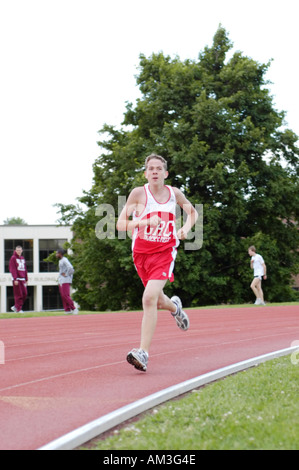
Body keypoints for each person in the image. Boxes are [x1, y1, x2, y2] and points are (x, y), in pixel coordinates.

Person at [117, 154, 198, 372]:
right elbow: (120, 224)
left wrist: (185, 229)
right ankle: (175, 308)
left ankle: (142, 353)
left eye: (159, 168)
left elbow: (193, 213)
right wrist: (144, 221)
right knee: (157, 300)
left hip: (165, 251)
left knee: (149, 297)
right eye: (150, 168)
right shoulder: (138, 193)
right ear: (145, 173)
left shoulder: (174, 193)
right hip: (141, 254)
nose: (154, 171)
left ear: (165, 173)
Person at [56, 248, 78, 315]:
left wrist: (67, 274)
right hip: (61, 281)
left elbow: (71, 268)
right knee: (63, 295)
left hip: (65, 280)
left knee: (66, 295)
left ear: (60, 254)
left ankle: (74, 308)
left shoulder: (65, 260)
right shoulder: (60, 261)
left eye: (57, 253)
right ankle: (67, 309)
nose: (56, 255)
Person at [9, 245, 28, 313]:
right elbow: (12, 269)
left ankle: (16, 306)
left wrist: (26, 278)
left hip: (23, 279)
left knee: (24, 294)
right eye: (17, 250)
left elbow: (25, 269)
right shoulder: (13, 258)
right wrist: (15, 279)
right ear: (15, 251)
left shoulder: (22, 258)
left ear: (22, 251)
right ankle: (18, 309)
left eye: (20, 250)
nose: (19, 252)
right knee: (18, 294)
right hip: (17, 279)